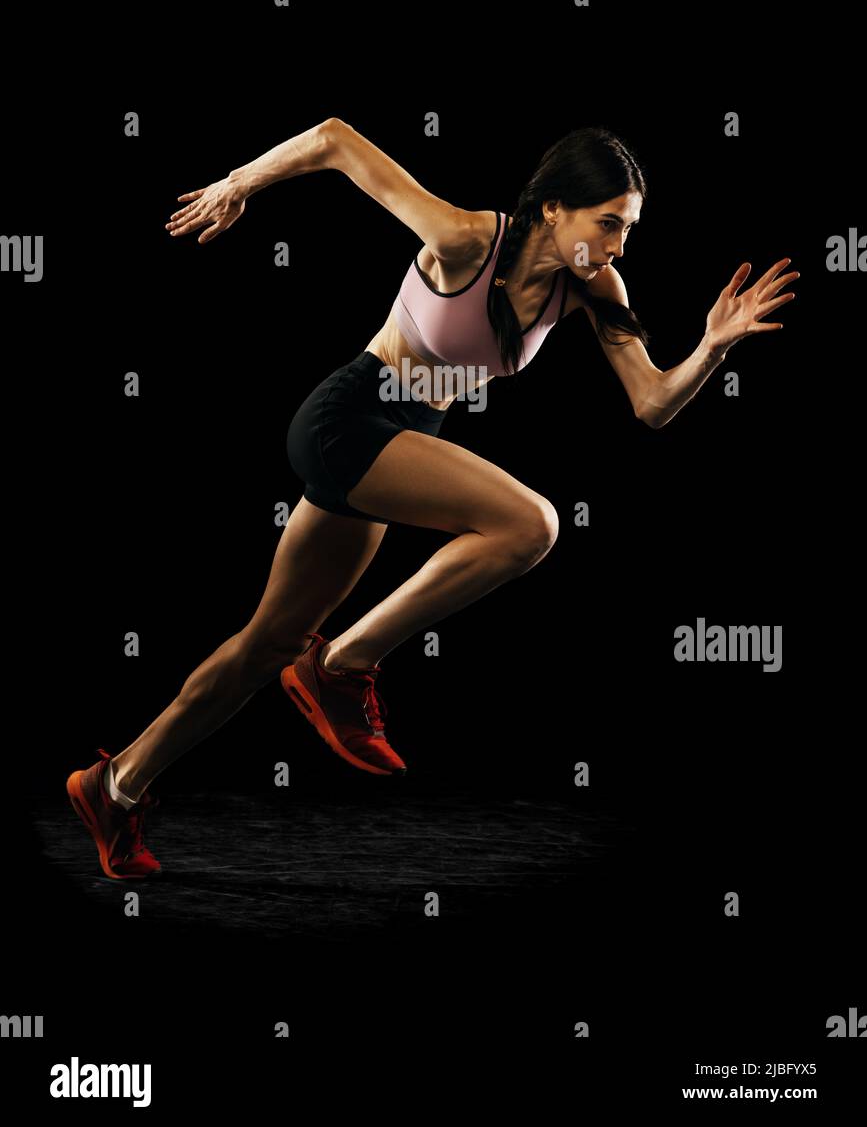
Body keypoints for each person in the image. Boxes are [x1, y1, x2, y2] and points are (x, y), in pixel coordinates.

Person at [65, 119, 798, 878]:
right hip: (349, 419)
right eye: (607, 223)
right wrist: (236, 183)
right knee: (530, 524)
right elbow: (334, 141)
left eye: (628, 228)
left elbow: (650, 403)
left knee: (267, 644)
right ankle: (343, 665)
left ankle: (115, 785)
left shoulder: (594, 286)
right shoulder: (466, 241)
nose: (618, 245)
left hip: (401, 437)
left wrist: (711, 348)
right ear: (554, 208)